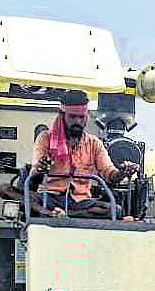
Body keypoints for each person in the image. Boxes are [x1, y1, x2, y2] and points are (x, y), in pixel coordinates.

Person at [30, 90, 139, 218]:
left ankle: (63, 215)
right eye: (72, 117)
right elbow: (33, 176)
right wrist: (40, 169)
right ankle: (54, 213)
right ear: (62, 116)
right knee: (5, 190)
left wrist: (122, 172)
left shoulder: (94, 143)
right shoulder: (45, 138)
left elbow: (110, 174)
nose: (77, 122)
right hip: (50, 197)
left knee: (116, 210)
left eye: (81, 117)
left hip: (81, 202)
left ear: (86, 117)